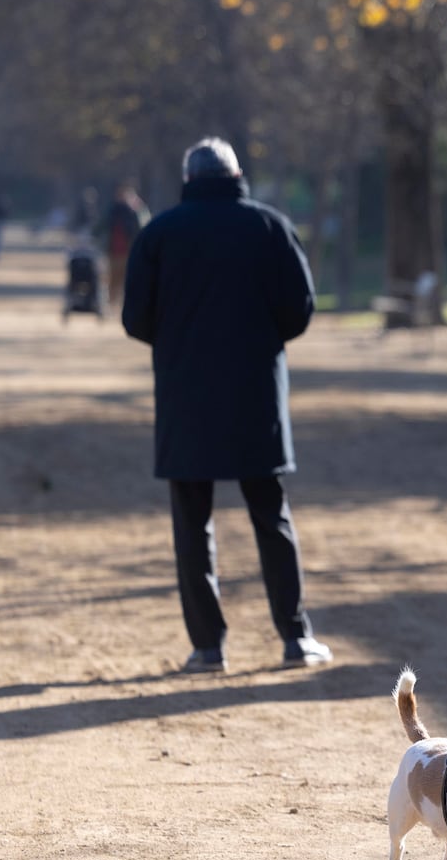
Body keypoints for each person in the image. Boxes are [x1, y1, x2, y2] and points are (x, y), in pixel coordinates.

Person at [121, 137, 332, 674]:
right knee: (270, 514)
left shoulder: (159, 234)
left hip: (184, 395)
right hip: (254, 392)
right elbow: (300, 309)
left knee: (192, 523)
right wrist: (261, 340)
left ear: (188, 179)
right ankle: (294, 637)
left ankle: (208, 646)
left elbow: (134, 320)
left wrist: (178, 345)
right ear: (237, 174)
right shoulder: (269, 226)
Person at [103, 178, 149, 306]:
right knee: (113, 280)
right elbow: (103, 227)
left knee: (129, 281)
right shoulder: (113, 209)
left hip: (130, 252)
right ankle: (112, 306)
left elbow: (145, 228)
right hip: (114, 251)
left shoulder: (137, 210)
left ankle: (125, 306)